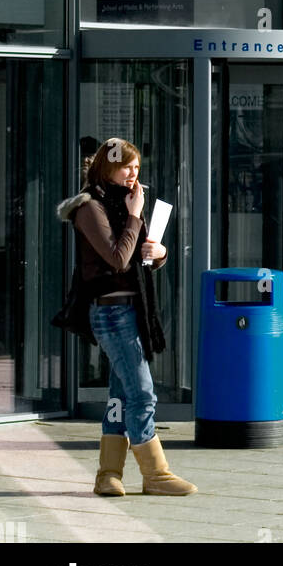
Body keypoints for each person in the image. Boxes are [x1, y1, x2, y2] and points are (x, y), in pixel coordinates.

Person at [56, 137, 197, 496]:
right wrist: (135, 216)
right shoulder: (91, 208)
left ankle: (108, 474)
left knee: (121, 395)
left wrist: (160, 252)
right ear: (107, 168)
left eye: (136, 167)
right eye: (125, 167)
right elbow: (116, 259)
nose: (133, 174)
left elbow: (139, 259)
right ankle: (156, 474)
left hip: (134, 310)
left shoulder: (125, 203)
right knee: (142, 393)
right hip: (110, 312)